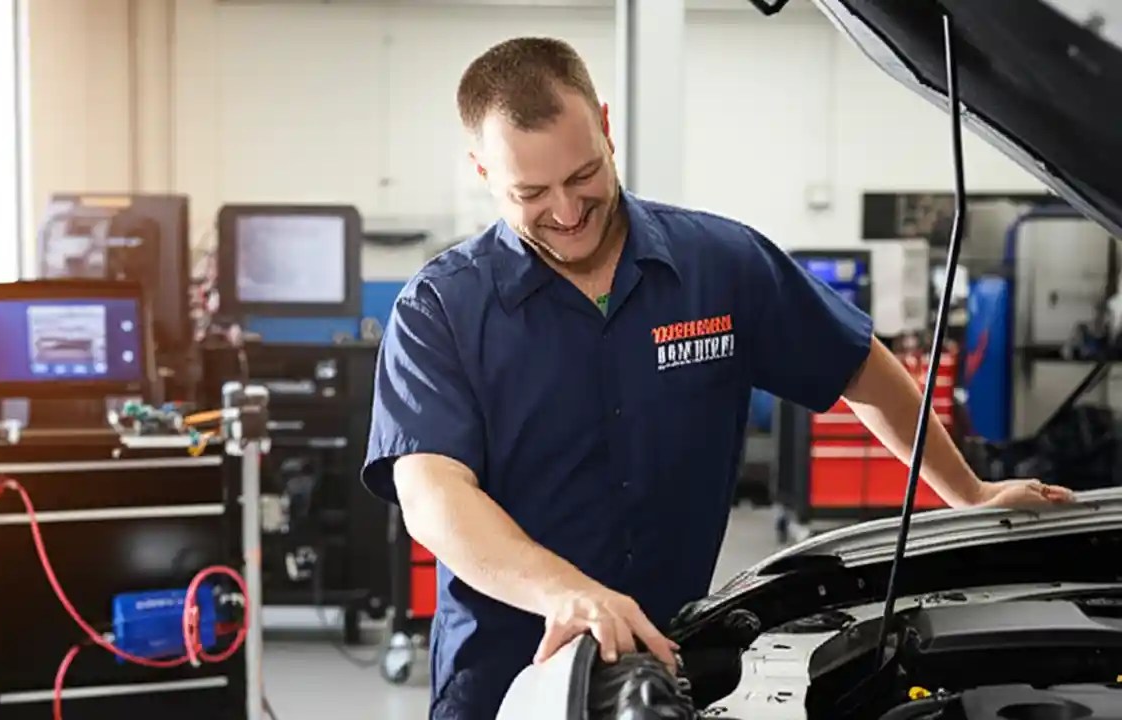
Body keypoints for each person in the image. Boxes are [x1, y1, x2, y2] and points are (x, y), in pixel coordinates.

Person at [359, 36, 1075, 720]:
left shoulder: (720, 266)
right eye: (532, 194)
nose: (568, 212)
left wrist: (968, 494)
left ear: (606, 128)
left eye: (583, 176)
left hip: (676, 665)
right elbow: (433, 494)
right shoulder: (440, 311)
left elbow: (858, 365)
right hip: (507, 678)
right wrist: (568, 595)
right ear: (483, 173)